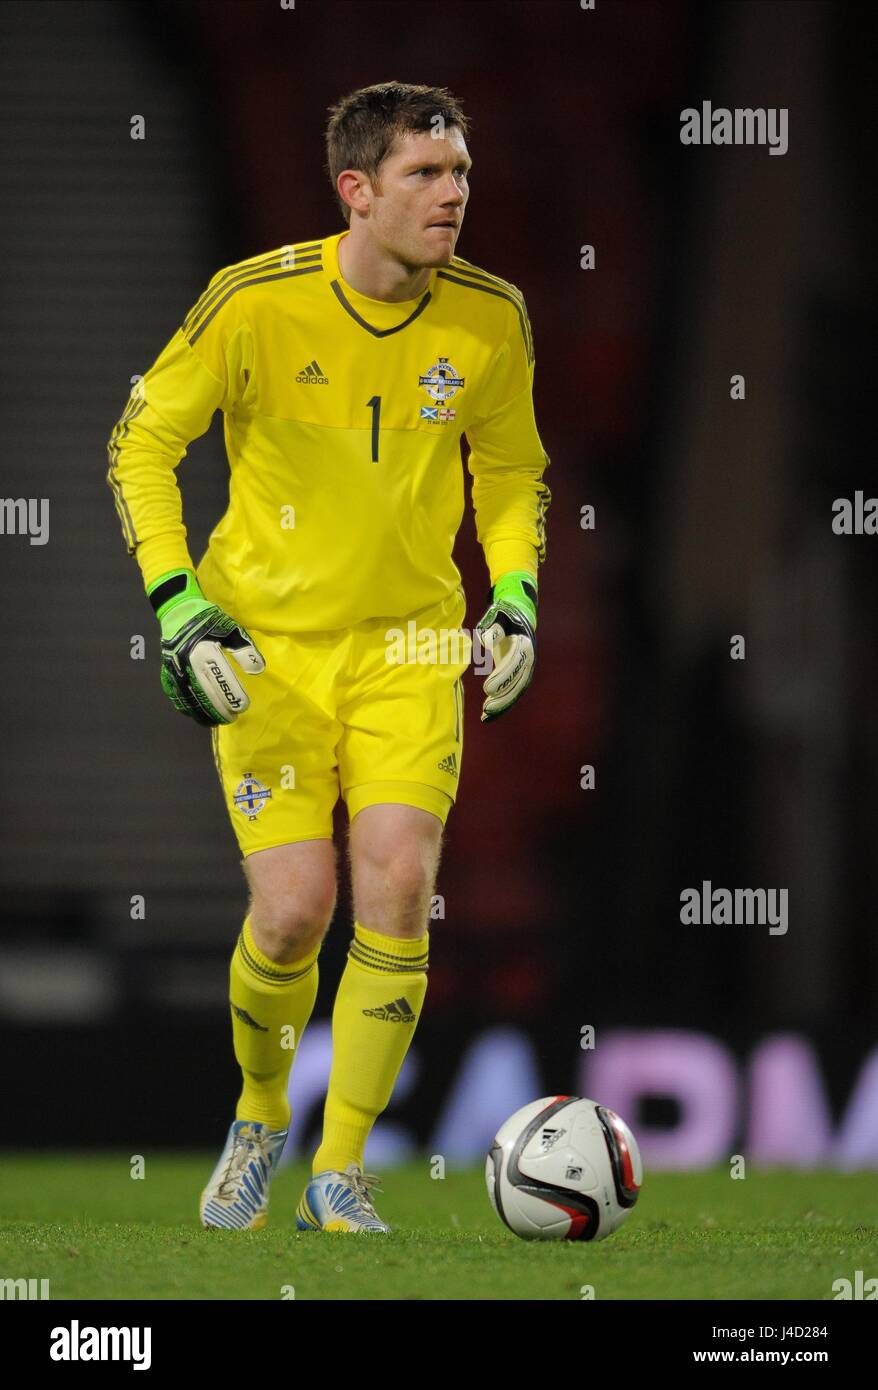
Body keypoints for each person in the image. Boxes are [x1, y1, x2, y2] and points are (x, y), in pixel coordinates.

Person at [107, 80, 550, 1233]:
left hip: (409, 645)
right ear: (355, 191)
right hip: (268, 649)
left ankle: (339, 1171)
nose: (452, 194)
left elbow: (508, 475)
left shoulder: (490, 317)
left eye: (458, 172)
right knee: (296, 912)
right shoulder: (252, 305)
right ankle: (261, 1116)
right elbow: (142, 442)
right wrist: (176, 601)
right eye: (423, 174)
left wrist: (513, 593)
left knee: (398, 884)